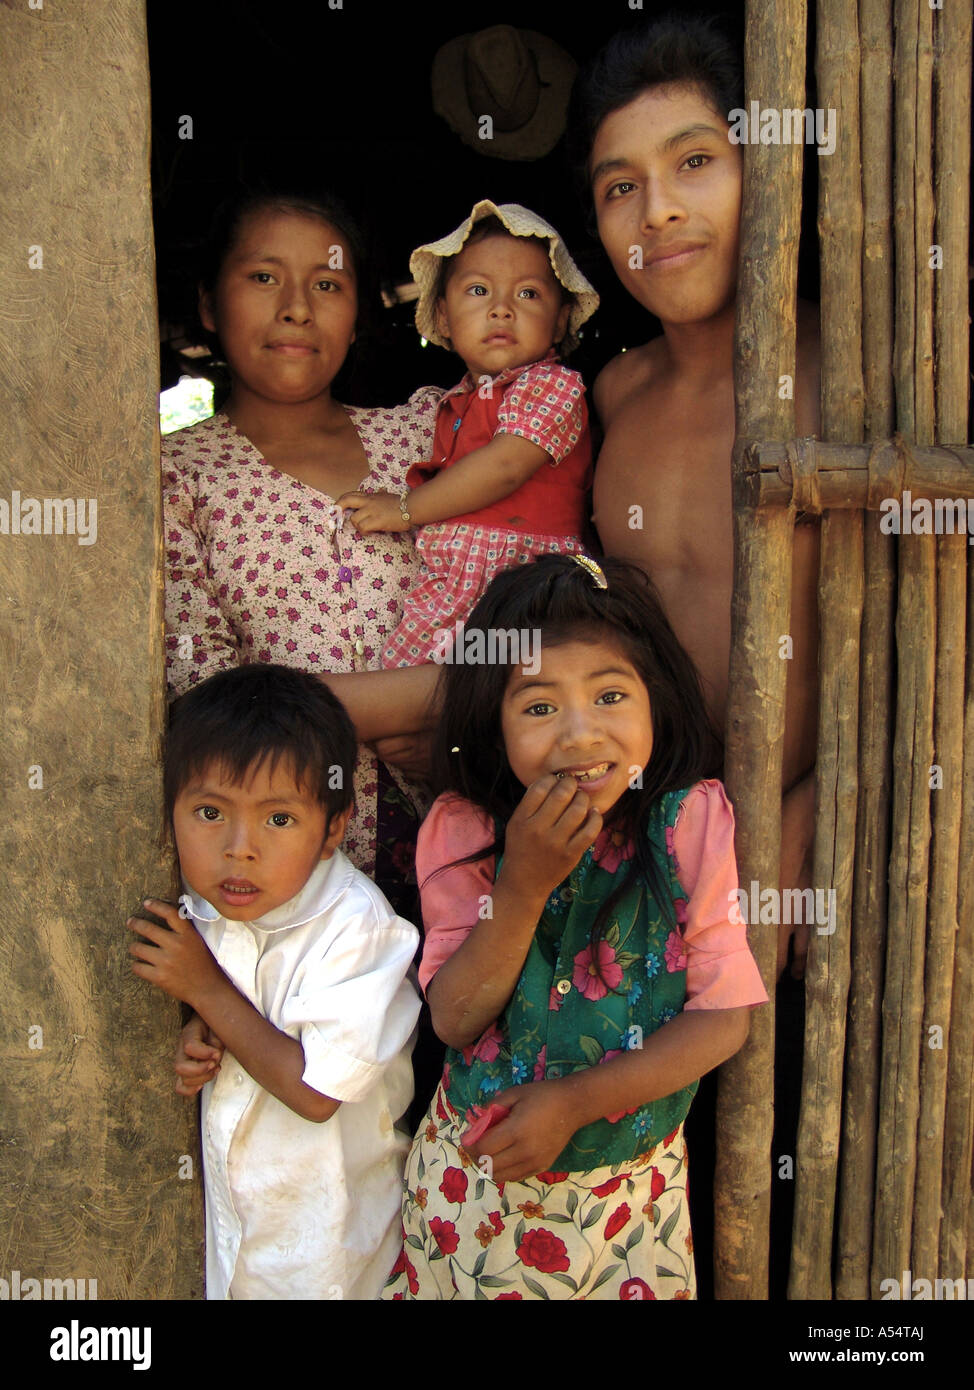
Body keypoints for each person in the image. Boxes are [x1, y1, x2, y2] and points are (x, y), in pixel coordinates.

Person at [382, 554, 767, 1300]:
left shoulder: (687, 824)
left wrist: (576, 1101)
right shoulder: (464, 832)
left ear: (656, 701)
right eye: (538, 707)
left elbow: (724, 1020)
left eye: (611, 694)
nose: (580, 733)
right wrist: (521, 886)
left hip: (629, 1199)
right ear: (493, 730)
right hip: (475, 1195)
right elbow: (456, 1018)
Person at [574, 17, 821, 976]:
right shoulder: (615, 395)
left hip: (814, 867)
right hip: (646, 879)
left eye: (695, 163)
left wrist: (819, 800)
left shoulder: (845, 375)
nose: (659, 211)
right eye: (621, 188)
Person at [162, 187, 442, 896]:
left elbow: (527, 617)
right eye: (263, 278)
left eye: (327, 283)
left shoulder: (430, 437)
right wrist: (446, 692)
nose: (296, 306)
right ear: (207, 305)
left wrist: (466, 730)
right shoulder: (172, 475)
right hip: (285, 888)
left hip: (463, 848)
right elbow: (213, 711)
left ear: (358, 313)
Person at [126, 664, 421, 1300]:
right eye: (209, 812)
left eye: (278, 820)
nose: (240, 848)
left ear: (332, 829)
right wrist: (202, 1040)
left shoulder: (358, 931)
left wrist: (205, 990)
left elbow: (317, 1093)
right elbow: (238, 1021)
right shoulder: (202, 908)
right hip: (236, 1237)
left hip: (327, 1247)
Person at [337, 200, 599, 668]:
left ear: (560, 320)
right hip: (452, 585)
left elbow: (503, 467)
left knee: (491, 690)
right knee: (405, 674)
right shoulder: (446, 403)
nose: (501, 310)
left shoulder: (554, 387)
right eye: (479, 290)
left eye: (529, 295)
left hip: (525, 584)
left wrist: (403, 510)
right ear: (442, 317)